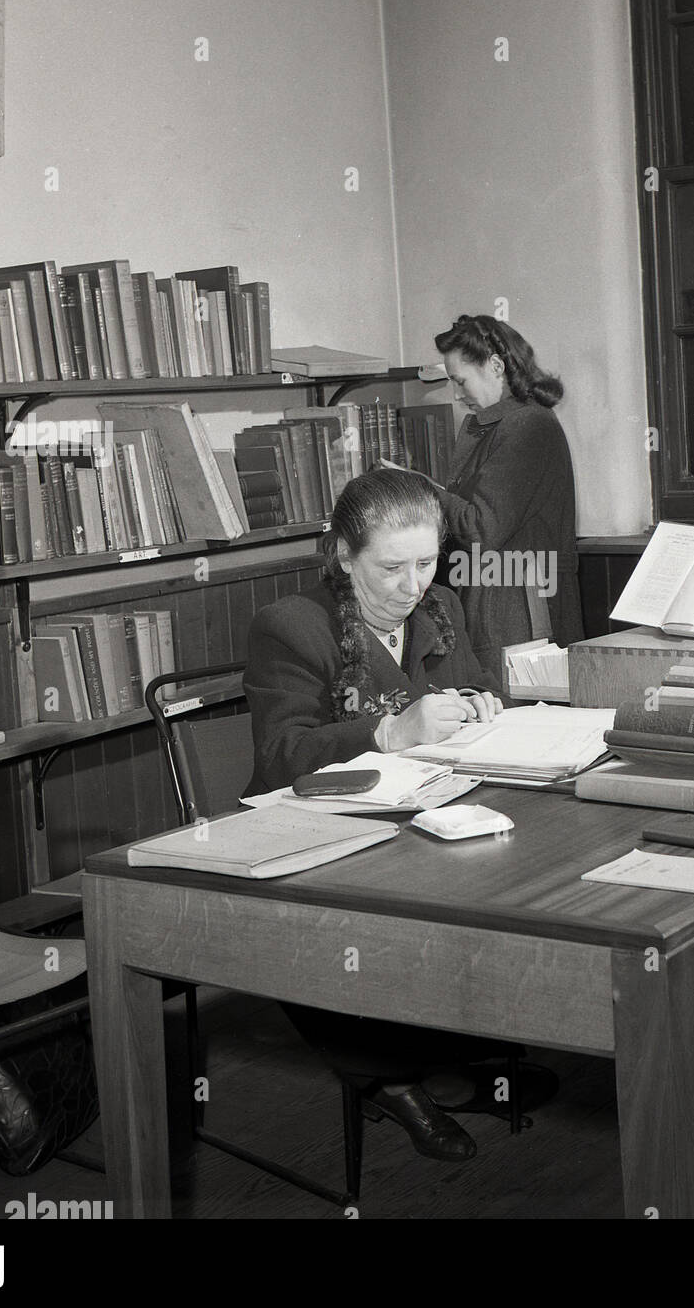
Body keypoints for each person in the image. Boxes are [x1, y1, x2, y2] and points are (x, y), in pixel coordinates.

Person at [243, 468, 554, 1159]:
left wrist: (478, 702)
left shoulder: (440, 604)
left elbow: (469, 680)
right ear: (344, 556)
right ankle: (388, 1073)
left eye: (425, 561)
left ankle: (453, 1049)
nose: (413, 585)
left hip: (422, 822)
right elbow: (281, 754)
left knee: (505, 872)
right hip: (317, 840)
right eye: (391, 567)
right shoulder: (292, 626)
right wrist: (387, 732)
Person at [425, 314, 584, 687]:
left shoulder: (527, 426)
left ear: (495, 366)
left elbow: (480, 527)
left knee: (513, 719)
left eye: (460, 380)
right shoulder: (508, 424)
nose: (456, 393)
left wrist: (423, 489)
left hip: (517, 610)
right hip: (503, 601)